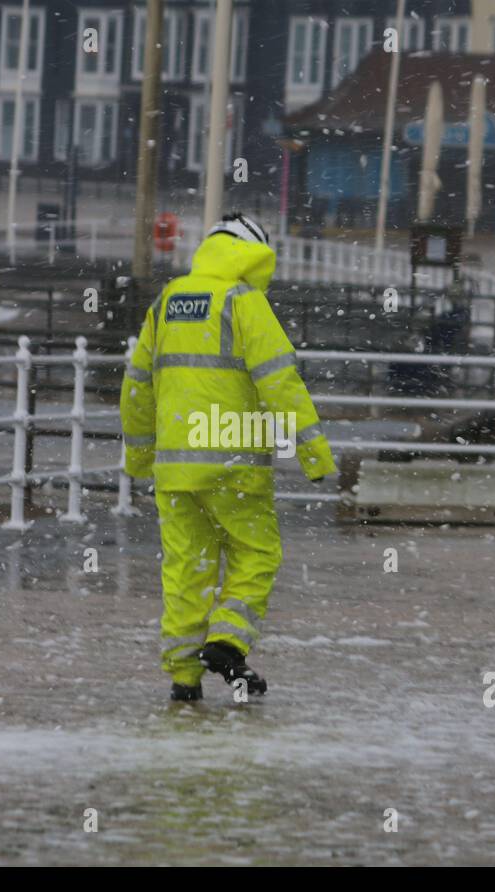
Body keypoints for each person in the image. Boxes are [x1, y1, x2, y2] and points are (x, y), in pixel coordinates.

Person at [119, 213, 336, 701]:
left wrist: (138, 458)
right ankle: (227, 642)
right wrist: (314, 451)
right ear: (253, 255)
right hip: (233, 460)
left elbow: (136, 387)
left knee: (185, 569)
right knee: (257, 553)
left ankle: (183, 677)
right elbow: (280, 379)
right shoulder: (245, 302)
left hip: (175, 469)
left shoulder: (168, 300)